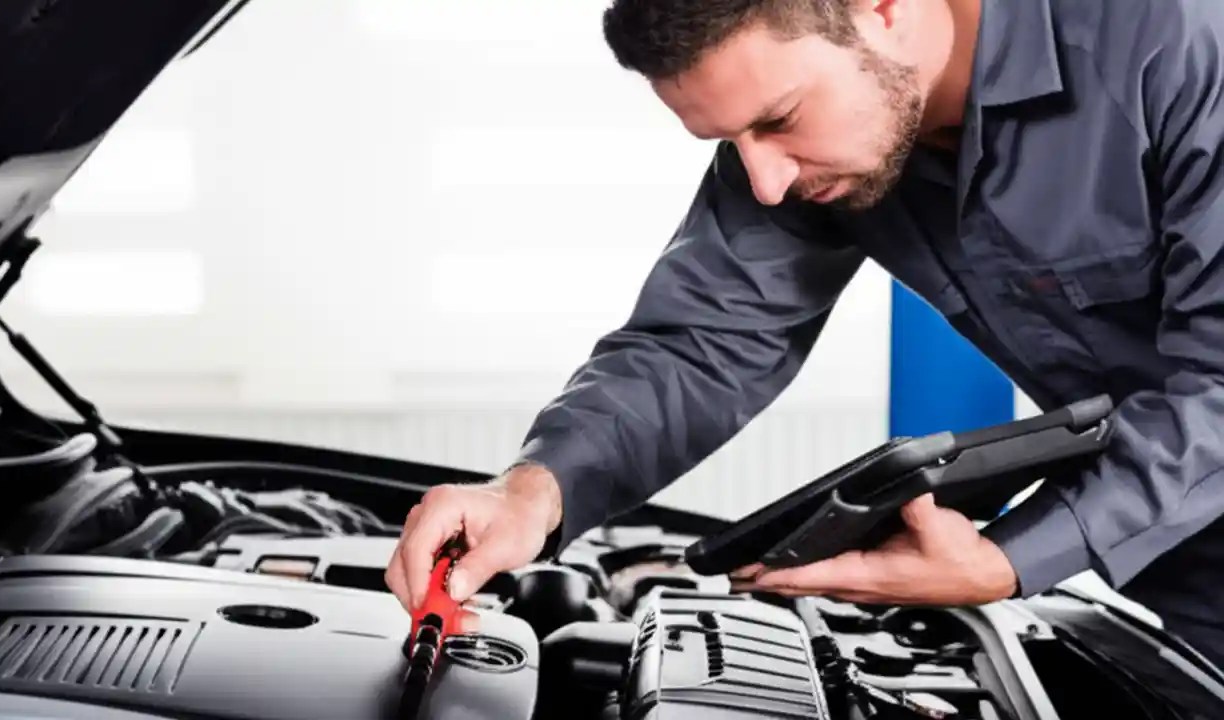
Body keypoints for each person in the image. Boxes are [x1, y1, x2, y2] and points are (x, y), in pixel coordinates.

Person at [386, 0, 1224, 666]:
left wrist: (1012, 558)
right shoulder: (821, 138)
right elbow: (704, 341)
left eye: (778, 119)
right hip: (1184, 576)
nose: (765, 180)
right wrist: (532, 494)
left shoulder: (1182, 44)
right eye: (730, 141)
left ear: (882, 8)